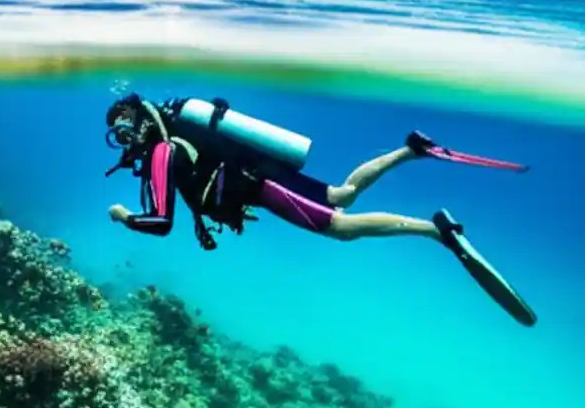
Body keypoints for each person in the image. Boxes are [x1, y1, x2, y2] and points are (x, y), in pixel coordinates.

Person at [102, 92, 538, 326]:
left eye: (123, 129)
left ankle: (436, 231)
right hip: (262, 172)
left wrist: (124, 218)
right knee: (342, 194)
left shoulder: (162, 151)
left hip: (261, 185)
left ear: (140, 120)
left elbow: (160, 221)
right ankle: (412, 149)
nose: (123, 141)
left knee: (340, 226)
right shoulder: (176, 138)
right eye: (118, 135)